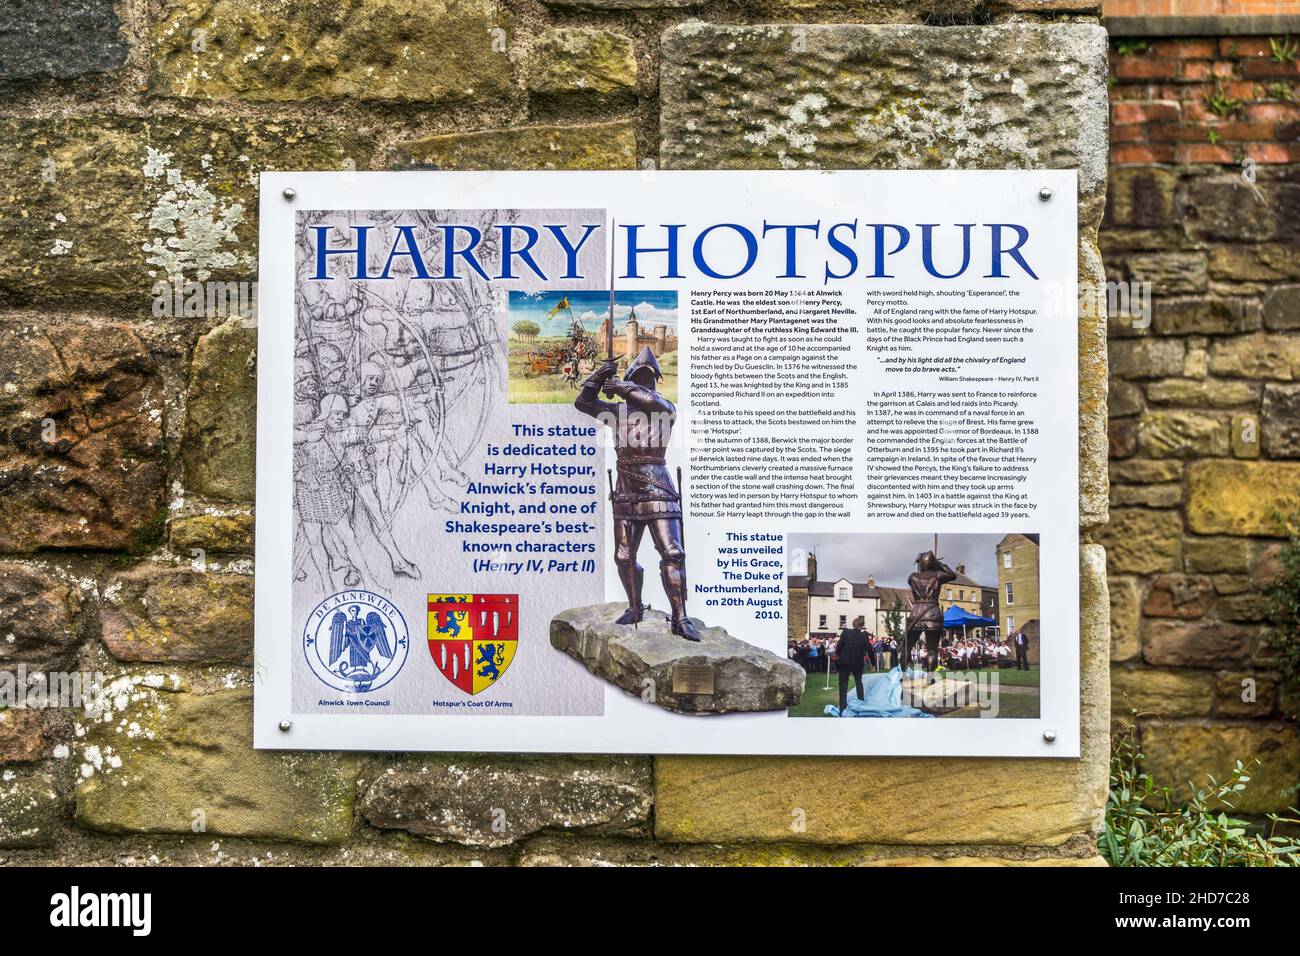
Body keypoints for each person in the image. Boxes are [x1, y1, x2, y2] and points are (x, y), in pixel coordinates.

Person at [576, 350, 699, 641]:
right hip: (626, 490)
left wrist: (623, 387)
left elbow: (652, 400)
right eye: (638, 377)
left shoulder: (664, 409)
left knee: (672, 554)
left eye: (648, 378)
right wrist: (600, 375)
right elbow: (583, 402)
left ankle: (680, 618)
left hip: (659, 488)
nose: (644, 383)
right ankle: (635, 606)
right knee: (623, 557)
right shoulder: (616, 413)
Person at [835, 616, 870, 715]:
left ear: (853, 624)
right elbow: (869, 649)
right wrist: (872, 662)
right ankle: (861, 703)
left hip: (844, 661)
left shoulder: (845, 632)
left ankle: (842, 707)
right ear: (862, 626)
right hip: (857, 662)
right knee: (859, 682)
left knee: (843, 684)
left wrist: (838, 654)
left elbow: (839, 645)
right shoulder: (864, 635)